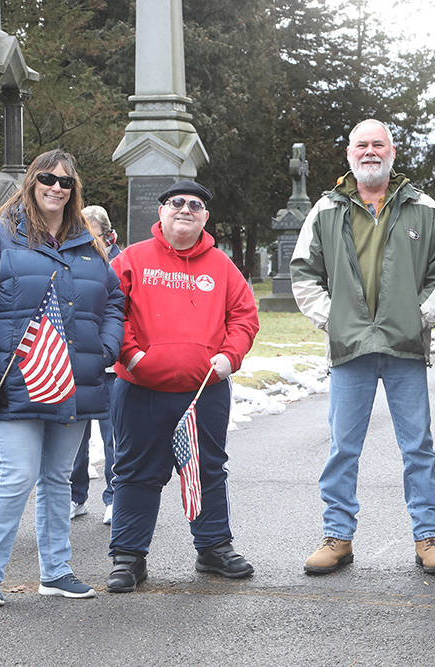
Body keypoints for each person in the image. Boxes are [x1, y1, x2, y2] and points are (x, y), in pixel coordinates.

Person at [0, 150, 125, 606]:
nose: (56, 187)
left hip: (73, 379)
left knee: (58, 478)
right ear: (32, 182)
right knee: (17, 475)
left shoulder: (88, 243)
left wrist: (105, 349)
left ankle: (56, 570)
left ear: (74, 191)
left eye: (66, 182)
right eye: (47, 178)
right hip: (13, 380)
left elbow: (114, 301)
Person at [290, 118, 435, 575]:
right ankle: (337, 537)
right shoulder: (325, 210)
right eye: (361, 145)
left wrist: (419, 316)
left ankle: (428, 537)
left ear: (393, 152)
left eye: (377, 144)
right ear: (349, 154)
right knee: (343, 447)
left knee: (417, 446)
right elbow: (303, 273)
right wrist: (334, 320)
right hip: (350, 350)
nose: (369, 152)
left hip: (404, 347)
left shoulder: (425, 209)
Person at [105, 180, 259, 593]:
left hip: (203, 391)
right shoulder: (132, 259)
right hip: (140, 389)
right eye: (177, 203)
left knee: (206, 468)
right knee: (137, 472)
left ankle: (213, 548)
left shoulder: (222, 266)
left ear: (205, 217)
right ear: (162, 212)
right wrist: (132, 356)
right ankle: (128, 556)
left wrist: (228, 360)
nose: (185, 209)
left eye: (195, 205)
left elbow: (244, 317)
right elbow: (109, 312)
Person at [69, 205, 121, 524]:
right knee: (75, 436)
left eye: (92, 233)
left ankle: (115, 497)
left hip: (111, 365)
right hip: (78, 363)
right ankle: (76, 497)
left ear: (108, 233)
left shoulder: (121, 263)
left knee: (113, 437)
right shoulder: (70, 261)